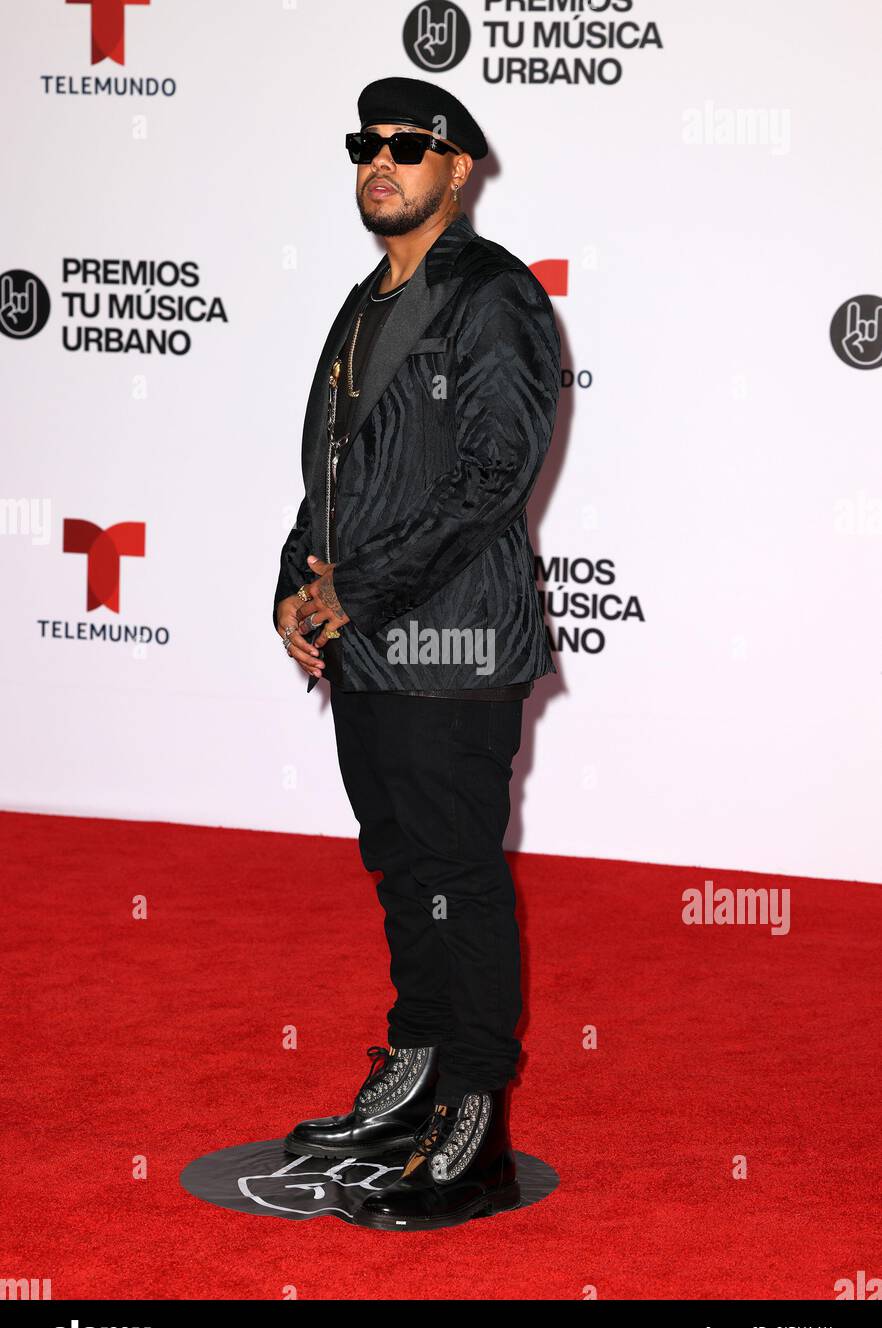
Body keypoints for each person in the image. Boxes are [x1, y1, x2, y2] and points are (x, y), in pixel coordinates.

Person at [272, 75, 561, 1230]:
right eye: (365, 144)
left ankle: (478, 1113)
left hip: (452, 646)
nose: (379, 161)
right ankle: (419, 1067)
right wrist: (296, 584)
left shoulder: (494, 299)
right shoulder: (361, 303)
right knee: (402, 868)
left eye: (407, 145)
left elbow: (493, 477)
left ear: (459, 168)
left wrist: (361, 592)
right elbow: (332, 475)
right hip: (369, 651)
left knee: (459, 875)